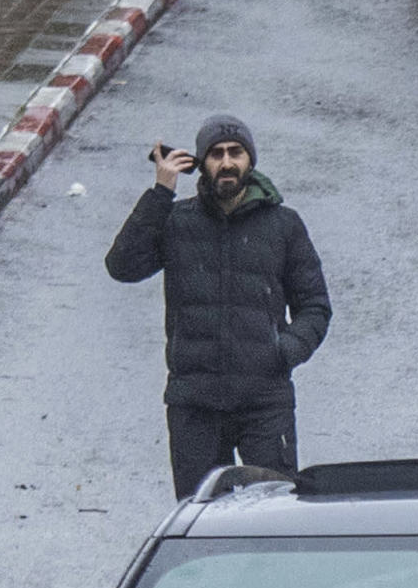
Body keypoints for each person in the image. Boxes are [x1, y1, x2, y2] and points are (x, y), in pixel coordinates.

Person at [107, 113, 329, 498]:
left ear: (250, 160)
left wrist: (283, 351)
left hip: (264, 401)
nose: (227, 163)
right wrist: (160, 193)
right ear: (201, 164)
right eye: (216, 154)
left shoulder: (284, 225)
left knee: (275, 515)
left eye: (236, 153)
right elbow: (123, 267)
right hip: (195, 402)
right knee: (200, 520)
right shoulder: (176, 222)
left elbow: (315, 306)